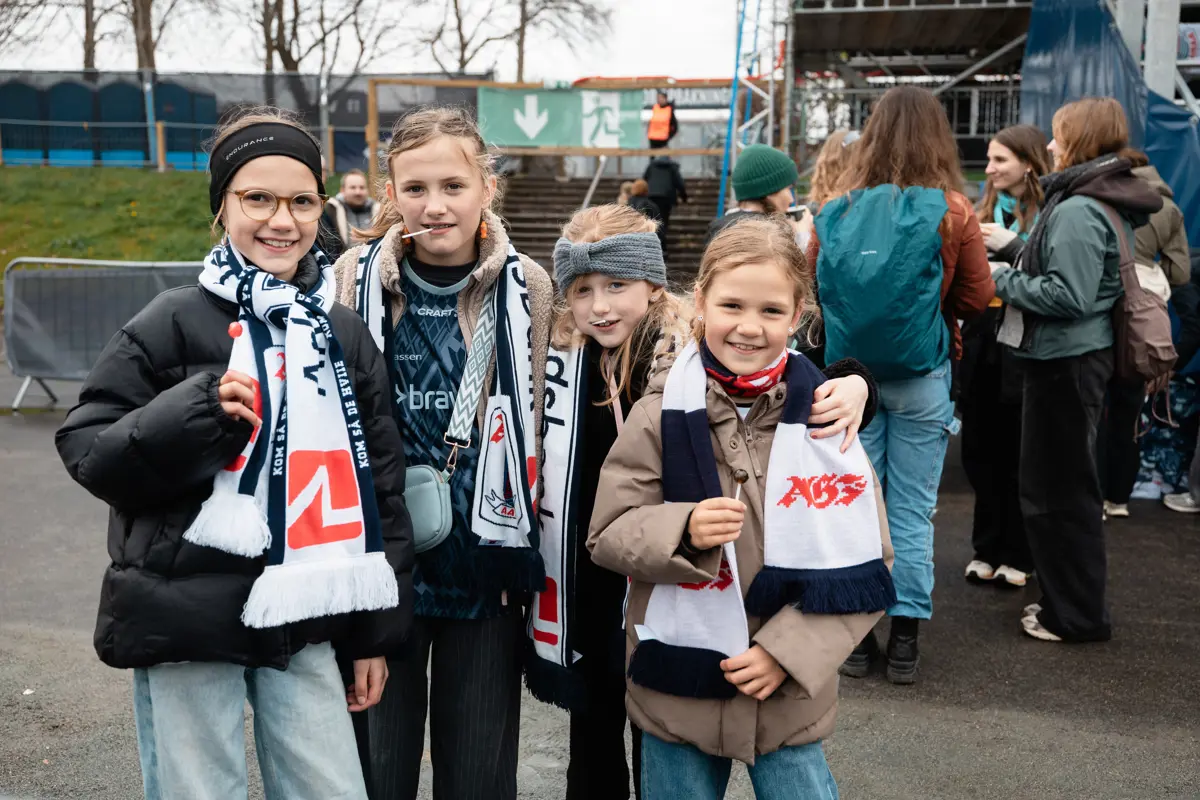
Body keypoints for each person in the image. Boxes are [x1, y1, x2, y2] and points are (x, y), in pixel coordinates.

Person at [54, 107, 414, 800]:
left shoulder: (342, 334)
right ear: (221, 207)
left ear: (321, 209)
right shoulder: (168, 319)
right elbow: (89, 449)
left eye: (302, 201)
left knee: (330, 788)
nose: (282, 220)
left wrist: (374, 632)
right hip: (182, 615)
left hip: (304, 617)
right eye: (258, 198)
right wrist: (191, 415)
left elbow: (380, 489)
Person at [531, 205, 881, 800]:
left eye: (771, 311)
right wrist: (683, 528)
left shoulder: (818, 419)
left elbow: (863, 567)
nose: (749, 325)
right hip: (664, 666)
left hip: (786, 696)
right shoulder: (606, 381)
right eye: (584, 290)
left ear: (798, 315)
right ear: (702, 304)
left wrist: (788, 652)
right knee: (600, 740)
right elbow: (610, 527)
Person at [333, 106, 554, 800]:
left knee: (480, 777)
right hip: (380, 566)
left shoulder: (530, 289)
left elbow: (618, 359)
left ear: (486, 188)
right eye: (416, 188)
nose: (435, 206)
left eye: (453, 186)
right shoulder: (351, 278)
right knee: (375, 771)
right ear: (390, 192)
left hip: (484, 564)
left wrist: (849, 381)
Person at [809, 85, 994, 683]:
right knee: (913, 510)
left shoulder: (832, 212)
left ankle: (856, 639)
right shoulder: (953, 211)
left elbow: (815, 292)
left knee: (855, 505)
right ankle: (906, 640)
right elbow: (976, 295)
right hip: (921, 376)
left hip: (846, 381)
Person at [991, 97, 1162, 643]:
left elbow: (1068, 294)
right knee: (1064, 491)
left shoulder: (1076, 209)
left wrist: (1000, 278)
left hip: (1064, 363)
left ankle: (1076, 615)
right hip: (1073, 361)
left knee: (1058, 495)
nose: (1048, 145)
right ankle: (1071, 606)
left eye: (1059, 135)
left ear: (1081, 141)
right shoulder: (1092, 201)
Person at [960, 124, 1051, 589]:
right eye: (991, 161)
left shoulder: (1049, 212)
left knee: (1020, 451)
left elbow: (1054, 278)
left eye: (1000, 161)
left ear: (1029, 163)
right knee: (980, 449)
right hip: (983, 337)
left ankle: (1020, 552)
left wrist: (1013, 249)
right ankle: (986, 548)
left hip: (1026, 340)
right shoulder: (984, 208)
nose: (990, 170)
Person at [1099, 149, 1192, 518]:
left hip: (1098, 313)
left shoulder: (1099, 199)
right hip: (1140, 320)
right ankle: (1118, 498)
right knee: (1126, 411)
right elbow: (1180, 272)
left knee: (1090, 410)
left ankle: (1091, 498)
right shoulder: (1167, 208)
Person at [704, 143, 798, 248]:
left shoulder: (720, 228)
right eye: (788, 188)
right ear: (769, 191)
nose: (791, 199)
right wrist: (803, 237)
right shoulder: (765, 237)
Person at [323, 168, 379, 260]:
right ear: (342, 190)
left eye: (362, 187)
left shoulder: (378, 210)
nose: (358, 192)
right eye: (353, 187)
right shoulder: (331, 210)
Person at [644, 155, 689, 258]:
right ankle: (662, 248)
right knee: (663, 221)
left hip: (651, 196)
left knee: (652, 220)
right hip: (666, 197)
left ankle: (654, 246)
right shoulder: (672, 167)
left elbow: (645, 179)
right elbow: (679, 183)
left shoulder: (651, 166)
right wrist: (684, 197)